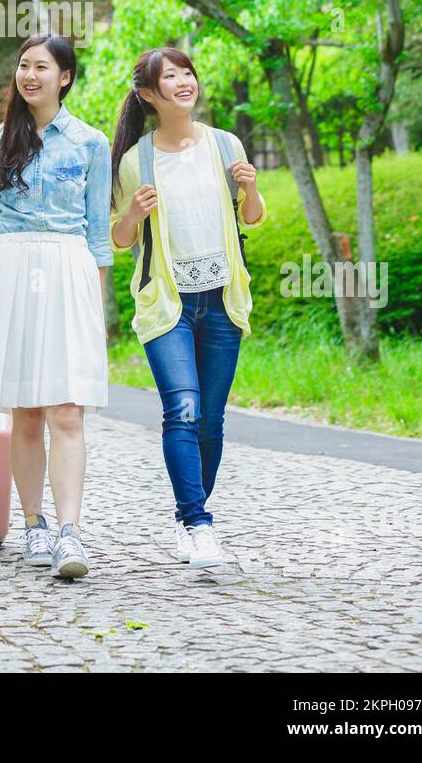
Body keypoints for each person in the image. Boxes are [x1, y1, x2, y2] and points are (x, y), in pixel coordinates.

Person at [0, 34, 112, 579]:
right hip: (12, 270)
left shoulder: (91, 143)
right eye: (23, 66)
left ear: (64, 76)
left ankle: (71, 533)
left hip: (68, 271)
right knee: (24, 411)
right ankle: (34, 525)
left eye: (42, 67)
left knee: (67, 408)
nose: (30, 75)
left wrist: (96, 305)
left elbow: (97, 237)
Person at [110, 48, 267, 569]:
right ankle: (197, 523)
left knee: (212, 420)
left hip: (221, 299)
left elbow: (254, 216)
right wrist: (132, 213)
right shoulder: (137, 161)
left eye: (186, 73)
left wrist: (250, 187)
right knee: (182, 409)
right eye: (169, 77)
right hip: (167, 303)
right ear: (149, 95)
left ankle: (190, 517)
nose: (183, 82)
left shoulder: (226, 145)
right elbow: (118, 238)